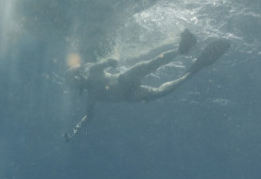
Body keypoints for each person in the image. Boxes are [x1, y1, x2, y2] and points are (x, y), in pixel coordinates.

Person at [65, 29, 232, 140]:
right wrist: (76, 129)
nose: (79, 80)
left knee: (151, 66)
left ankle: (182, 51)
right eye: (76, 80)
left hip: (125, 81)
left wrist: (111, 61)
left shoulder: (93, 74)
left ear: (79, 75)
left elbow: (108, 62)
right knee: (158, 89)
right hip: (128, 93)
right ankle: (188, 68)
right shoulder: (91, 95)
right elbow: (88, 116)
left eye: (76, 77)